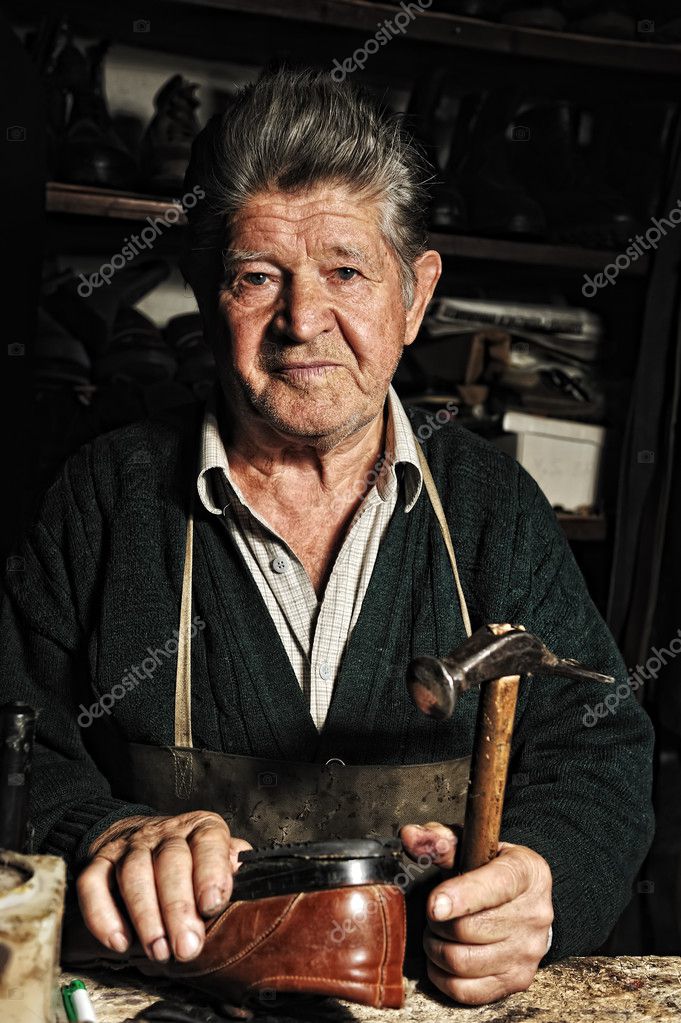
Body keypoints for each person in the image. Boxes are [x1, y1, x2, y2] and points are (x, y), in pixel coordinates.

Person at [1, 68, 653, 1006]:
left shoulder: (489, 509)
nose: (302, 322)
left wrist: (543, 879)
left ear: (415, 294)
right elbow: (12, 738)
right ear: (205, 294)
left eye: (346, 270)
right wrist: (102, 833)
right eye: (258, 277)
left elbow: (598, 753)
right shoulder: (107, 495)